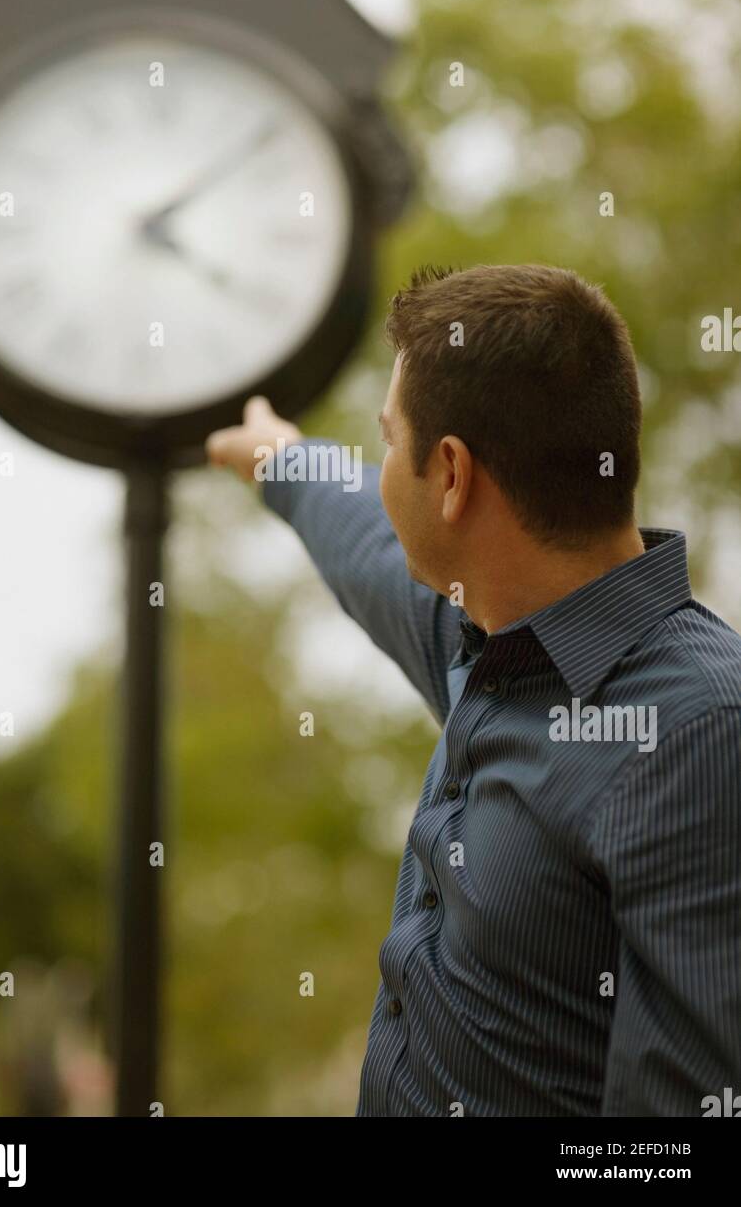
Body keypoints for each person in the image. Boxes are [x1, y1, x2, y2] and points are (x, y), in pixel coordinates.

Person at [205, 262, 741, 1118]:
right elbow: (367, 551)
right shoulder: (483, 638)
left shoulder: (700, 736)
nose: (380, 470)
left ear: (450, 475)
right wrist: (280, 457)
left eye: (388, 440)